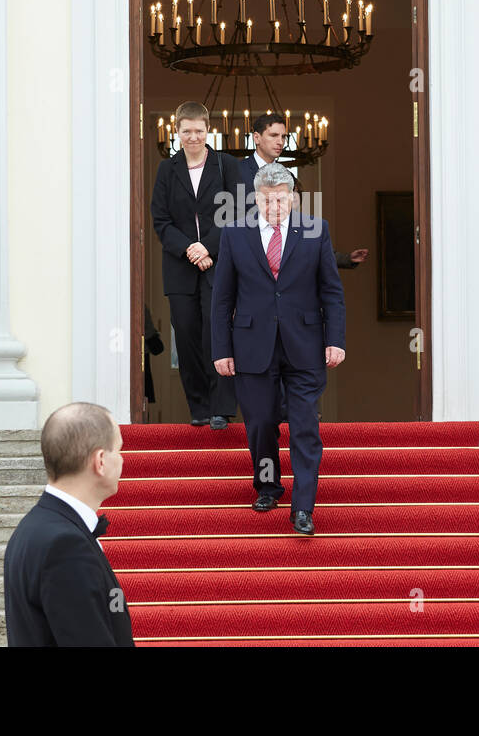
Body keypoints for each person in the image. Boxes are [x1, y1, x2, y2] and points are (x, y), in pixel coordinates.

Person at [212, 162, 346, 535]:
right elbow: (222, 298)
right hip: (252, 345)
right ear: (257, 198)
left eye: (282, 199)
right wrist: (221, 349)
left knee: (305, 426)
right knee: (261, 423)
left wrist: (335, 339)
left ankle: (303, 508)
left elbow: (332, 292)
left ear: (293, 198)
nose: (275, 206)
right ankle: (268, 486)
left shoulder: (317, 231)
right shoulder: (235, 233)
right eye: (268, 200)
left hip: (305, 346)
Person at [3, 402, 134, 647]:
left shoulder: (35, 526)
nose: (123, 459)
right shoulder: (65, 545)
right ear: (101, 461)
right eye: (118, 450)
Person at [150, 101, 240, 429]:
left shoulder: (226, 165)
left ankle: (221, 408)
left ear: (207, 130)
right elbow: (161, 220)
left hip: (218, 263)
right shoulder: (166, 170)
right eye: (186, 131)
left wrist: (208, 247)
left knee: (216, 335)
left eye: (198, 131)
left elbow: (237, 210)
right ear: (177, 132)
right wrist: (190, 248)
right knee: (186, 337)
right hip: (180, 266)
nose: (193, 137)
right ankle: (199, 408)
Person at [239, 112, 368, 269]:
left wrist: (346, 259)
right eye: (273, 135)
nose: (280, 142)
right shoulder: (236, 172)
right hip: (246, 266)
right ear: (257, 138)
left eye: (284, 137)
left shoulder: (288, 177)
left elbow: (297, 227)